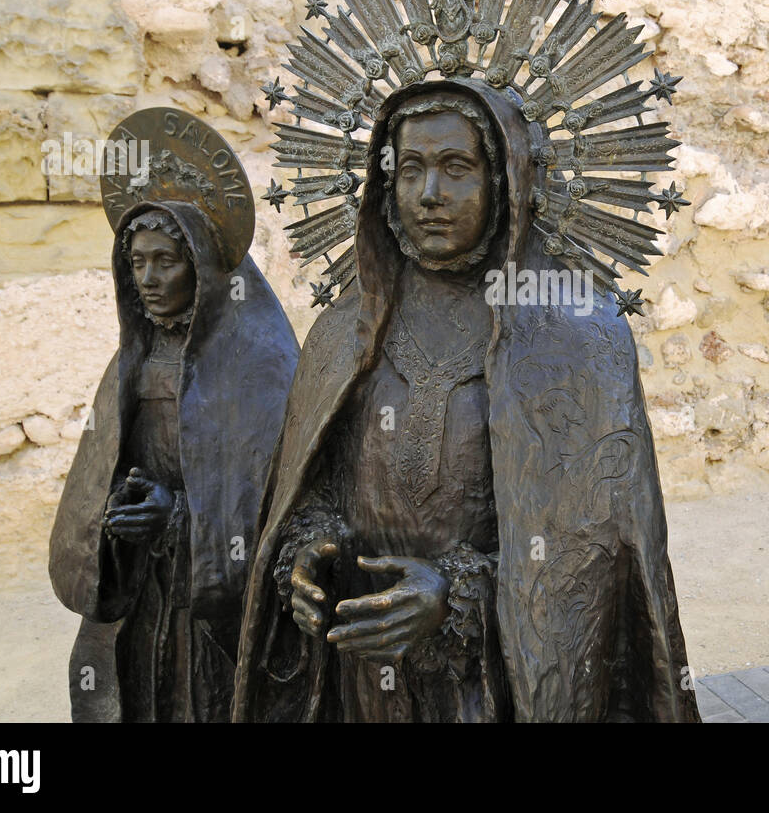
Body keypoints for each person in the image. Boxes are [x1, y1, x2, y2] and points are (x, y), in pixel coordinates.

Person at [233, 80, 699, 722]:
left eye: (457, 168)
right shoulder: (345, 333)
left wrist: (455, 595)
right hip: (364, 669)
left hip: (495, 683)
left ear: (504, 181)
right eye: (411, 169)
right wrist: (310, 552)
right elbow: (315, 487)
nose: (430, 195)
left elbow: (590, 553)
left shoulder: (574, 332)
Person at [50, 189, 298, 722]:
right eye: (137, 262)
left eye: (166, 261)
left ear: (203, 268)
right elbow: (99, 470)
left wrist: (181, 514)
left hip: (209, 590)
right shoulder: (131, 361)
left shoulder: (258, 361)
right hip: (140, 579)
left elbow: (275, 494)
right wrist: (118, 509)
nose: (149, 278)